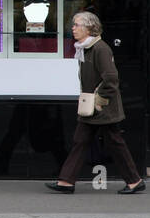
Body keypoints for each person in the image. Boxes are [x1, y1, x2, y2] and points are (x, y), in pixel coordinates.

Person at [47, 12, 144, 195]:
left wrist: (99, 101)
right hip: (91, 107)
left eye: (77, 25)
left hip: (103, 108)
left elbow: (111, 79)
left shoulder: (100, 49)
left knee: (114, 142)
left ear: (89, 28)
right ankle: (66, 181)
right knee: (81, 141)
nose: (73, 28)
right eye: (73, 25)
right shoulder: (85, 48)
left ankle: (134, 180)